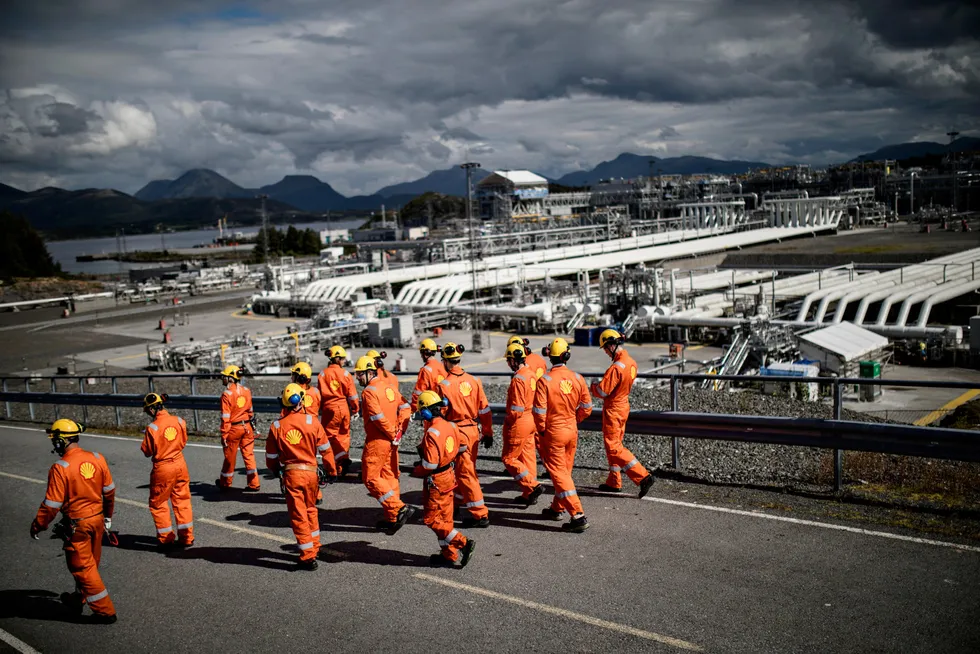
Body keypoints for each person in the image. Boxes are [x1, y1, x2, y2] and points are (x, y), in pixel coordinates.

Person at [30, 419, 117, 623]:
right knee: (91, 563)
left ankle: (105, 612)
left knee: (82, 568)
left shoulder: (61, 467)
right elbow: (110, 491)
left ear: (61, 441)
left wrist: (38, 525)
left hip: (78, 524)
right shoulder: (97, 457)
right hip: (97, 521)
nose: (54, 445)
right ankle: (78, 599)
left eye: (54, 440)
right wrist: (107, 516)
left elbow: (52, 505)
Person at [265, 383, 333, 571]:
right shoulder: (313, 422)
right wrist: (331, 471)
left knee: (299, 515)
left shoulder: (277, 426)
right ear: (301, 401)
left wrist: (275, 469)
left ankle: (307, 556)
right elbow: (326, 450)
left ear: (285, 404)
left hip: (292, 475)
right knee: (311, 510)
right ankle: (315, 545)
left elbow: (271, 457)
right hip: (311, 474)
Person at [532, 338, 593, 533]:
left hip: (554, 432)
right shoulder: (578, 378)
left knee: (559, 475)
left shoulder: (545, 381)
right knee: (564, 472)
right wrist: (575, 419)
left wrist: (542, 430)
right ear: (567, 356)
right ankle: (556, 508)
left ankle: (577, 515)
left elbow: (539, 411)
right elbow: (587, 407)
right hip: (571, 430)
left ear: (550, 357)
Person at [411, 390, 476, 568]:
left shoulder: (432, 432)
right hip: (449, 475)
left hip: (437, 480)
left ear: (425, 412)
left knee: (431, 519)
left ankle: (463, 543)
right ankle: (449, 554)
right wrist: (448, 455)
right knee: (445, 520)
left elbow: (430, 464)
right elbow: (462, 447)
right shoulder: (452, 426)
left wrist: (417, 469)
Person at [591, 329, 655, 498]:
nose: (605, 351)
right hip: (623, 406)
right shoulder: (631, 363)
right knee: (614, 444)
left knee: (613, 447)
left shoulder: (616, 367)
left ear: (612, 345)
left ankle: (643, 477)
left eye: (605, 348)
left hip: (613, 409)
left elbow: (603, 391)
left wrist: (593, 387)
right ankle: (614, 481)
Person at [354, 355, 415, 533]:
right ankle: (393, 518)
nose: (357, 377)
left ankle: (398, 508)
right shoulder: (388, 386)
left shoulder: (369, 392)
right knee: (389, 477)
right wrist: (399, 431)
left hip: (377, 440)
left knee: (370, 478)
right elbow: (405, 407)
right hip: (391, 441)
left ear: (369, 372)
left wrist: (392, 433)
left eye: (359, 374)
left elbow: (377, 418)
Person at [437, 342, 493, 528]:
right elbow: (485, 410)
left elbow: (441, 415)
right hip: (473, 431)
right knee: (466, 471)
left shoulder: (444, 385)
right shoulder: (474, 380)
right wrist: (488, 431)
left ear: (445, 361)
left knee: (466, 474)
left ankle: (480, 514)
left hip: (458, 432)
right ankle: (458, 502)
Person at [140, 393, 195, 549]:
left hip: (163, 467)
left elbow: (146, 451)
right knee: (182, 500)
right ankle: (187, 537)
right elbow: (184, 441)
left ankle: (166, 539)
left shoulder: (152, 428)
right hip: (180, 463)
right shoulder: (179, 421)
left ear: (151, 409)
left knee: (158, 503)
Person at [502, 342, 543, 507]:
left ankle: (532, 486)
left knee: (509, 458)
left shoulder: (518, 378)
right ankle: (528, 494)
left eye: (508, 361)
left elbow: (516, 409)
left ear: (514, 360)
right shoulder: (531, 374)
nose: (507, 364)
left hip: (520, 421)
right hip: (531, 420)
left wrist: (508, 421)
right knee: (528, 458)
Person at [216, 365, 259, 491]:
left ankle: (225, 482)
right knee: (249, 456)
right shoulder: (247, 390)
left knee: (230, 457)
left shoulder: (226, 394)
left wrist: (224, 434)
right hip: (247, 427)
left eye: (224, 376)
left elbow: (225, 418)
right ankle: (254, 483)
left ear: (230, 378)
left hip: (234, 429)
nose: (222, 378)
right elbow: (250, 411)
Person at [318, 345, 359, 477]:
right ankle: (342, 462)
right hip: (344, 408)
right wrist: (355, 408)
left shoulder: (323, 374)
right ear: (336, 358)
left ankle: (340, 460)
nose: (343, 361)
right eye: (341, 359)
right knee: (344, 435)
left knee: (330, 437)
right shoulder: (346, 374)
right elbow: (352, 395)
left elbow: (319, 395)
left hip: (330, 408)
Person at [411, 338, 447, 412]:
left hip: (432, 408)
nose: (421, 356)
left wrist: (413, 409)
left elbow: (419, 392)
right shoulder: (443, 366)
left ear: (425, 353)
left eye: (421, 352)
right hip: (445, 407)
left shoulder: (425, 370)